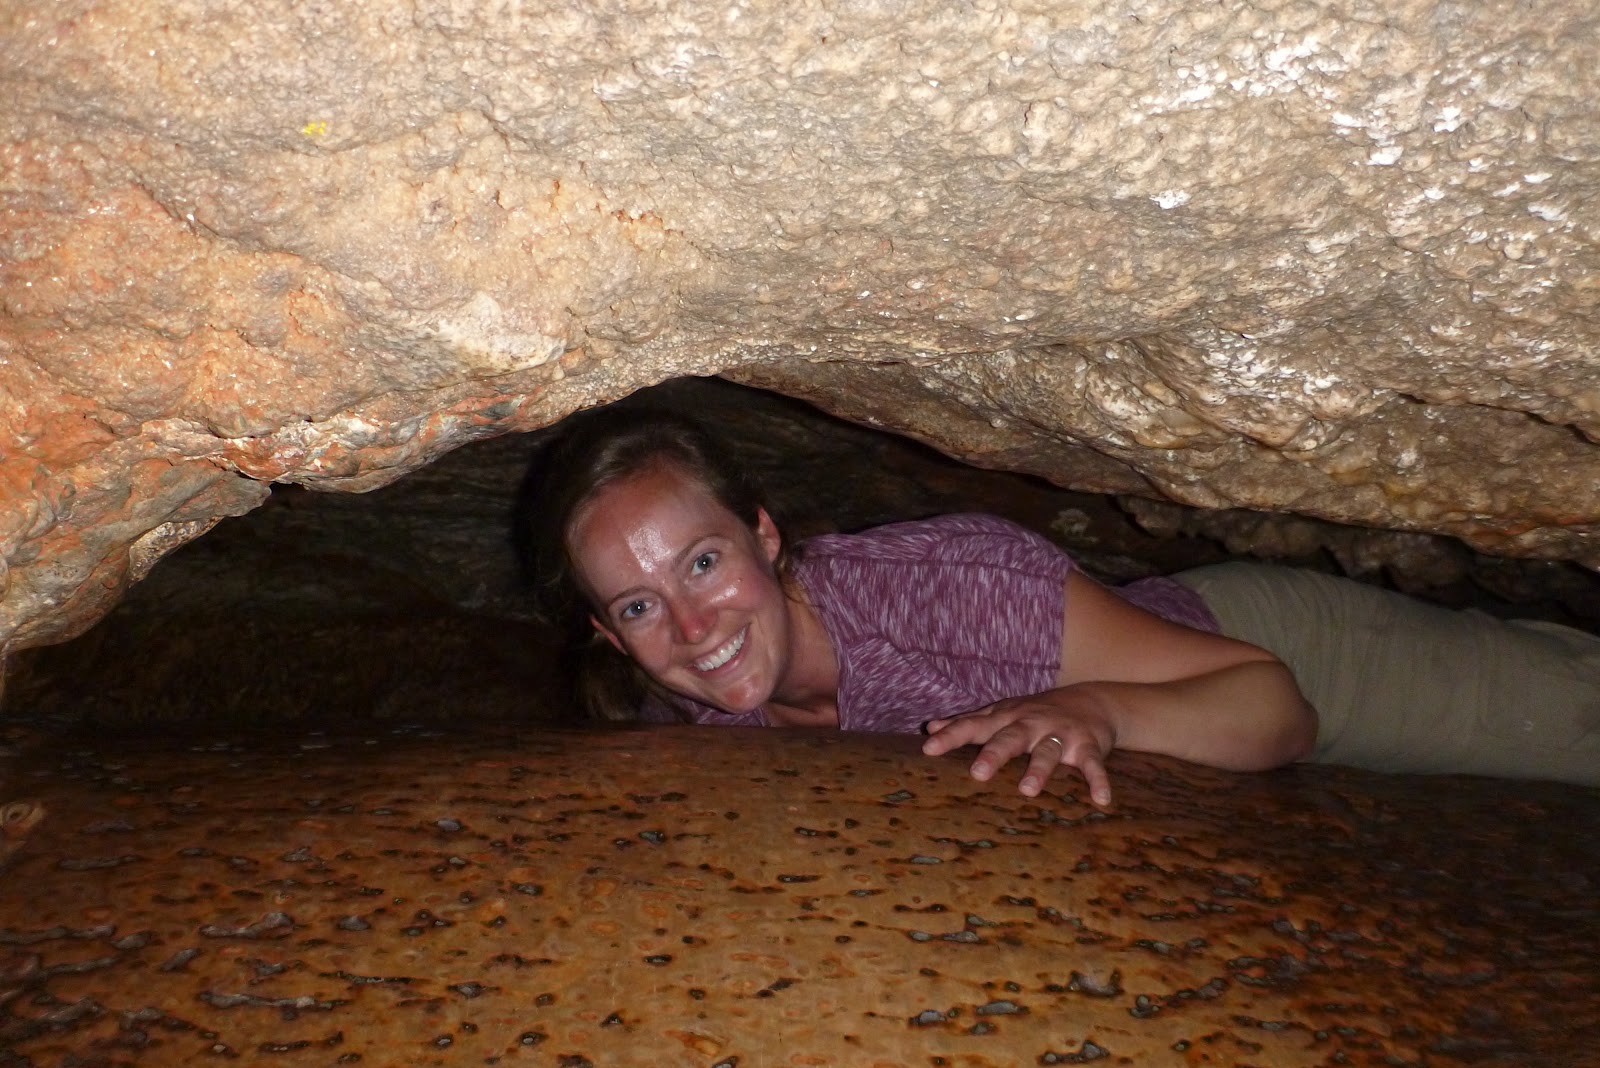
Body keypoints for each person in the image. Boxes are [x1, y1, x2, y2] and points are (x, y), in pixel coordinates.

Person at [516, 405, 1600, 801]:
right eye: (643, 607)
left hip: (1244, 650)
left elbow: (1277, 709)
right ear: (609, 633)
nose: (693, 629)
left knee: (1570, 721)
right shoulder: (681, 721)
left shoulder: (943, 588)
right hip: (1175, 732)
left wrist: (1097, 711)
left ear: (761, 533)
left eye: (700, 563)